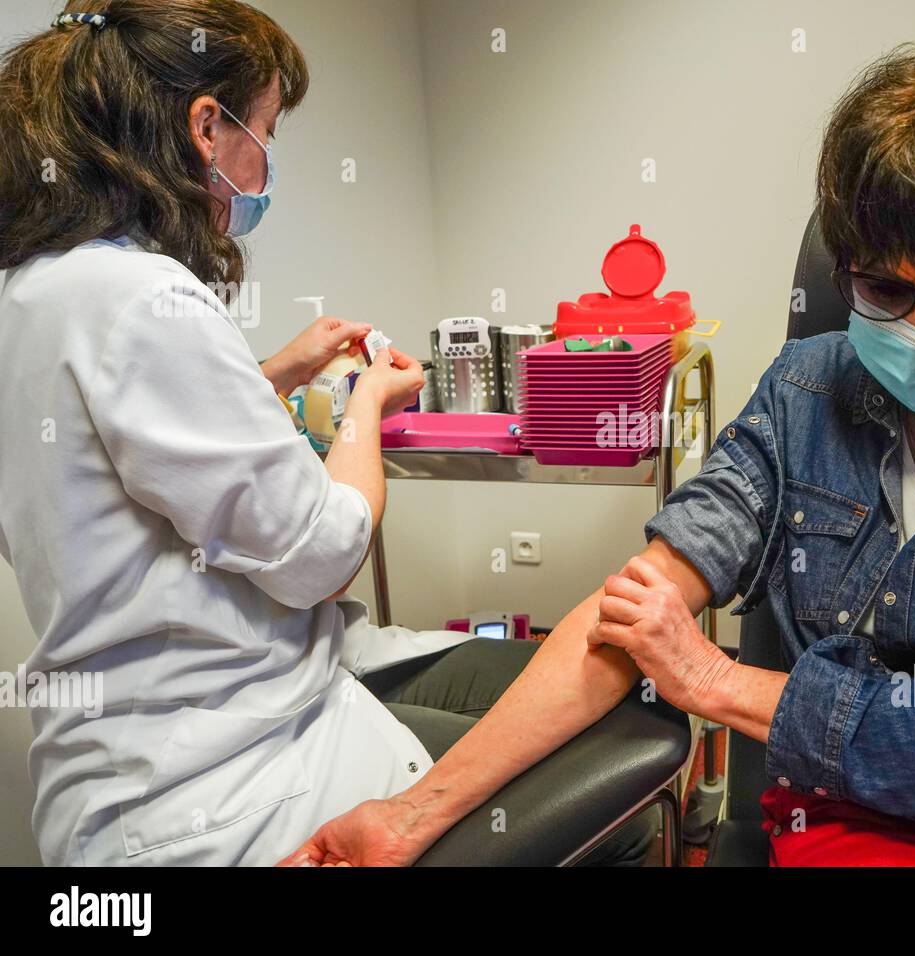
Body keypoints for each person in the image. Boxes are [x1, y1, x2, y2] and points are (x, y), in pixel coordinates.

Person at [284, 46, 915, 867]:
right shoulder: (806, 389)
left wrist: (713, 682)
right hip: (869, 822)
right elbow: (631, 614)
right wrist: (407, 820)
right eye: (881, 288)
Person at [0, 0, 654, 866]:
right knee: (625, 778)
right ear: (207, 126)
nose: (266, 164)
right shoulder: (145, 298)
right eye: (264, 132)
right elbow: (322, 551)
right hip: (225, 786)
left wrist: (267, 376)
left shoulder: (35, 294)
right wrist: (368, 406)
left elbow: (115, 453)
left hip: (128, 763)